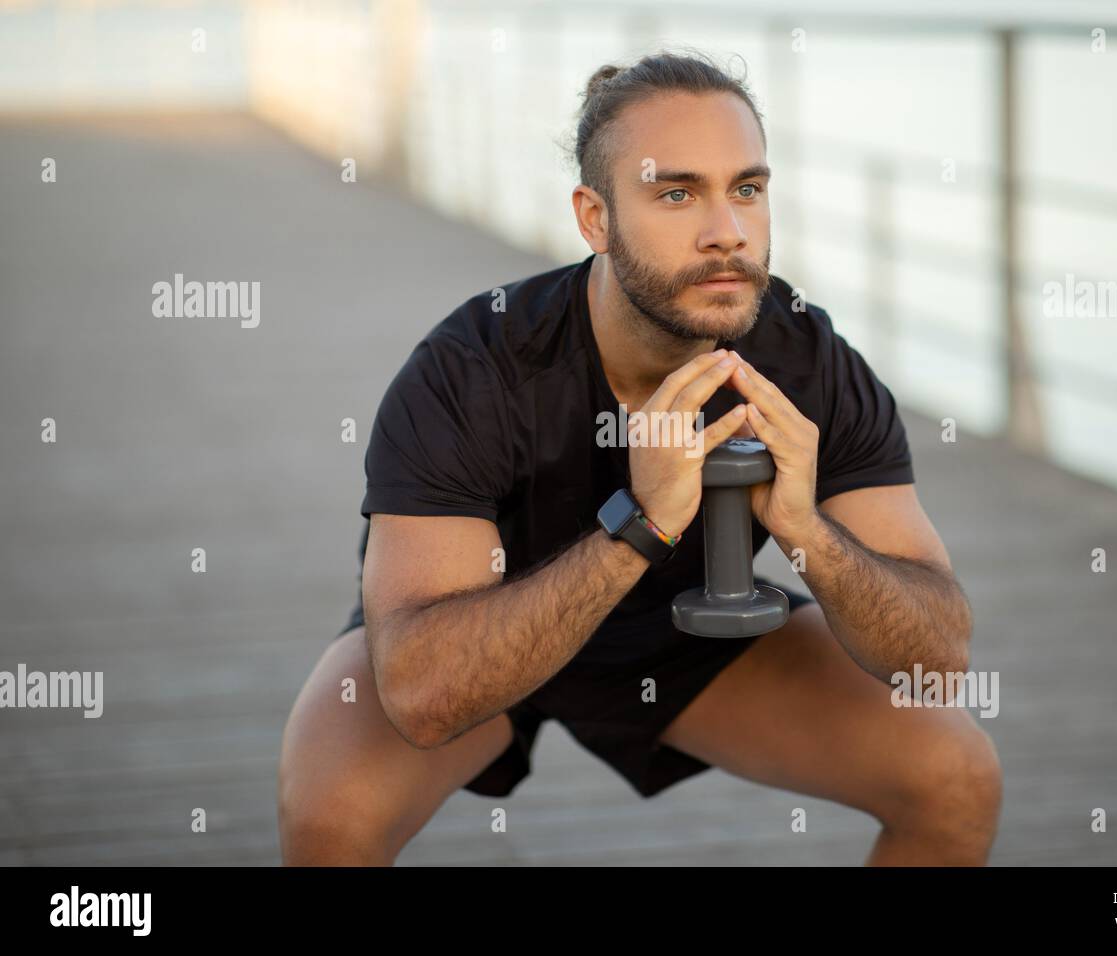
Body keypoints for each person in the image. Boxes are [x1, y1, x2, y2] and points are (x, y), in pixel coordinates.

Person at [278, 50, 1002, 866]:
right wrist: (643, 523)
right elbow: (422, 695)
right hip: (473, 629)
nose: (727, 229)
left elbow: (938, 659)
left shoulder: (806, 360)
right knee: (330, 818)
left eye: (749, 189)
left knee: (956, 778)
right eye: (677, 193)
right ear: (594, 218)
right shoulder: (474, 367)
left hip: (683, 642)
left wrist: (808, 534)